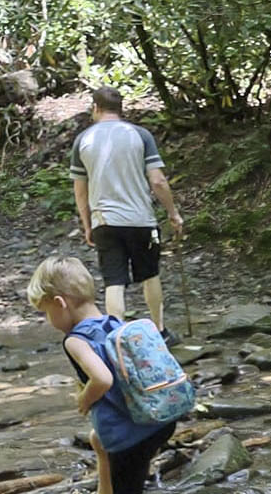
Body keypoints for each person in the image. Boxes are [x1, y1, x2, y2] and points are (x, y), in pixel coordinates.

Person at [26, 254, 182, 494]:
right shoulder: (113, 321)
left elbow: (103, 378)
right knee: (98, 440)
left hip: (132, 436)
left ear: (60, 303)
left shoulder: (75, 340)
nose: (48, 319)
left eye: (45, 311)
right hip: (160, 417)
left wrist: (85, 398)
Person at [69, 86, 185, 338]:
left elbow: (80, 190)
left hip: (104, 221)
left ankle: (117, 338)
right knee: (150, 274)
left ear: (95, 108)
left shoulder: (83, 140)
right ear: (121, 109)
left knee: (114, 280)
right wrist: (173, 213)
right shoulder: (140, 135)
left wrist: (87, 225)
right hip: (141, 220)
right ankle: (159, 331)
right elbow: (157, 181)